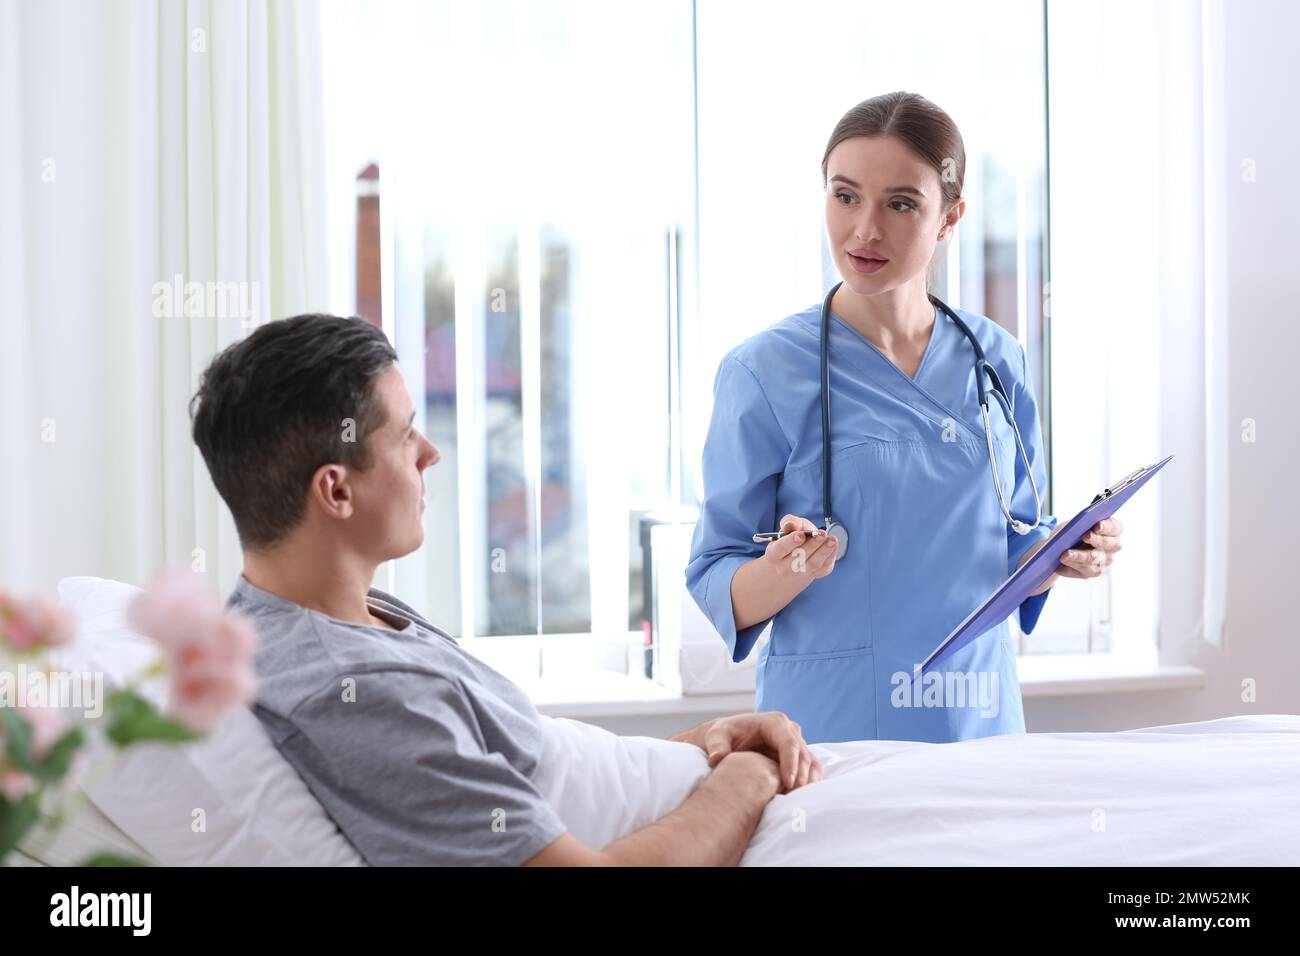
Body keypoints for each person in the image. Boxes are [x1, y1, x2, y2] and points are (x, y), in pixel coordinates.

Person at [190, 313, 822, 867]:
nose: (431, 452)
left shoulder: (350, 618)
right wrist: (745, 779)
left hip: (718, 793)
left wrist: (705, 741)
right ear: (336, 490)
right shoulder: (351, 692)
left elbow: (537, 769)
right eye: (406, 432)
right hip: (745, 818)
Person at [685, 91, 1124, 745]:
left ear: (950, 217)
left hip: (978, 716)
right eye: (845, 196)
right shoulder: (763, 371)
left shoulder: (997, 357)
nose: (864, 230)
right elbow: (716, 572)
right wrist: (785, 569)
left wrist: (1064, 552)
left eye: (900, 203)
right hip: (834, 725)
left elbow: (1015, 537)